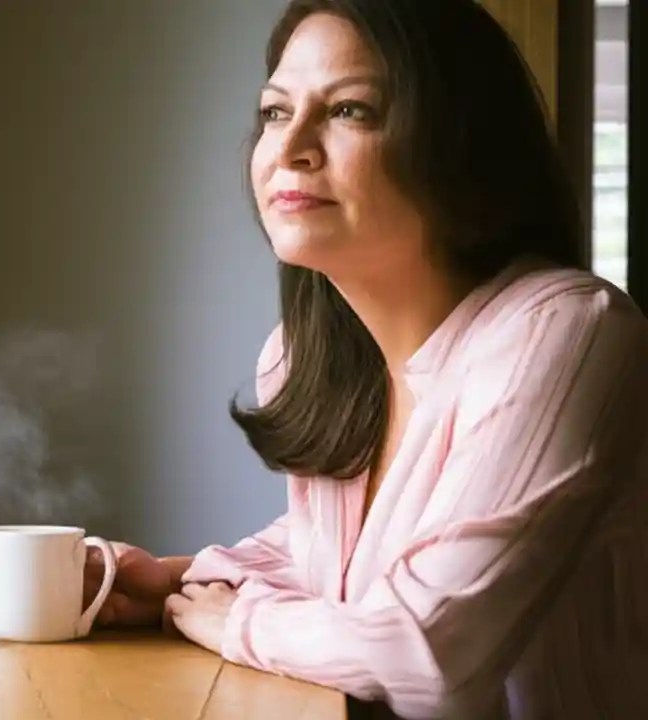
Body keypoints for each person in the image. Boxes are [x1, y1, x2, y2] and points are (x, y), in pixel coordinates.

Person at [83, 1, 648, 718]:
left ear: (460, 145)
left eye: (349, 110)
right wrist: (173, 581)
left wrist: (239, 622)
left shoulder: (568, 332)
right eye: (275, 112)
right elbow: (345, 563)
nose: (291, 148)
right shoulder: (304, 356)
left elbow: (429, 652)